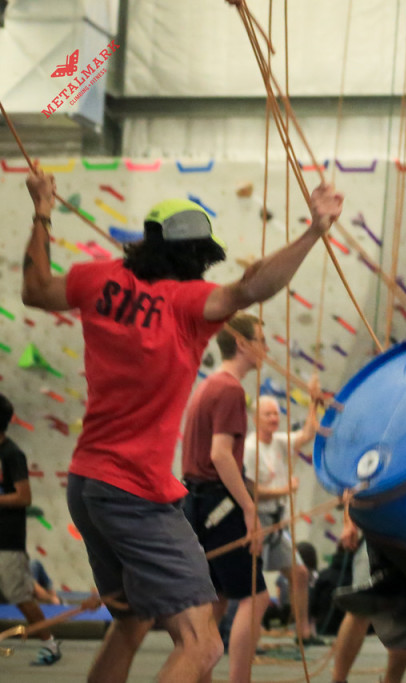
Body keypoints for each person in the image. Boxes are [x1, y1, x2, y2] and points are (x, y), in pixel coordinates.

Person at [21, 165, 342, 683]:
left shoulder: (97, 280)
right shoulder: (187, 303)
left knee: (130, 623)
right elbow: (251, 287)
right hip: (136, 493)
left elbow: (35, 289)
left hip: (86, 484)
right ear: (199, 257)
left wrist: (41, 209)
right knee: (202, 642)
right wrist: (313, 232)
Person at [182, 312, 271, 683]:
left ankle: (198, 674)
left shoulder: (207, 385)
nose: (267, 349)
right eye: (262, 340)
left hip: (196, 502)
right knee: (255, 596)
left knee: (215, 598)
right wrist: (250, 509)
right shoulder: (231, 390)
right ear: (243, 344)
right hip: (218, 504)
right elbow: (220, 454)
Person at [243, 388, 322, 645]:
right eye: (268, 415)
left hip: (276, 522)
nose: (274, 419)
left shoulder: (278, 441)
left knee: (299, 573)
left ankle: (303, 633)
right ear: (256, 418)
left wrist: (313, 401)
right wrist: (284, 490)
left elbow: (308, 434)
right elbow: (250, 491)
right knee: (249, 584)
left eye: (276, 414)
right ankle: (244, 638)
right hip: (256, 520)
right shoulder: (250, 448)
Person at [0, 394, 61, 666]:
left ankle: (50, 644)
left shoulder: (12, 455)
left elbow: (24, 497)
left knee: (20, 596)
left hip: (7, 540)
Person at [331, 515, 406, 683]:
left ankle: (392, 681)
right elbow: (352, 491)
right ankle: (338, 680)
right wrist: (349, 523)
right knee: (359, 609)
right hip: (377, 537)